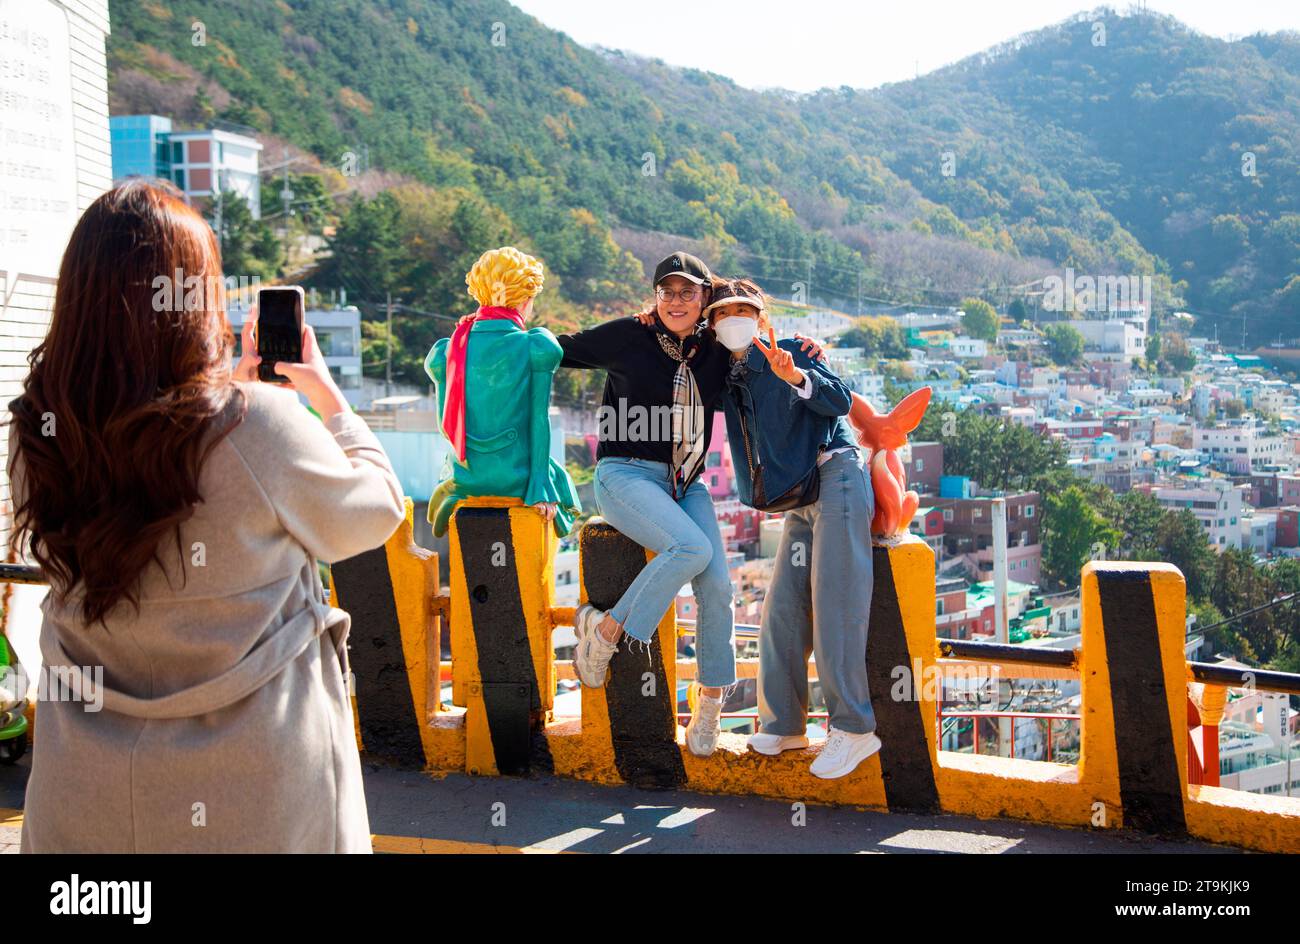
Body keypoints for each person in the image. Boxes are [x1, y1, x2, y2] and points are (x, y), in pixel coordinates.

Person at [6, 180, 405, 851]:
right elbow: (372, 514)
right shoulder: (260, 428)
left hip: (88, 797)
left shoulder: (38, 431)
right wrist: (330, 404)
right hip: (253, 800)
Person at [563, 253, 827, 757]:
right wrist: (492, 327)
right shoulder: (628, 336)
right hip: (623, 475)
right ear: (655, 296)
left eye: (688, 292)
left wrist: (805, 349)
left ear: (704, 299)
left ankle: (709, 707)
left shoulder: (713, 350)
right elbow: (559, 351)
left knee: (720, 585)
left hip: (685, 482)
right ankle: (606, 632)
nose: (677, 301)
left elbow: (755, 340)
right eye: (667, 291)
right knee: (690, 548)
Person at [708, 278, 880, 779]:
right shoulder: (726, 375)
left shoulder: (793, 352)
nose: (733, 318)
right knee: (782, 609)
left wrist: (796, 376)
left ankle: (853, 728)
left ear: (763, 317)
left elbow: (839, 401)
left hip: (836, 476)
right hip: (799, 496)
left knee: (836, 604)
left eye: (744, 309)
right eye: (722, 312)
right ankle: (784, 723)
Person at [425, 247, 580, 538]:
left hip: (465, 477)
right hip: (517, 478)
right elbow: (538, 421)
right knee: (558, 475)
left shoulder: (448, 351)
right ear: (524, 299)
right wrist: (539, 485)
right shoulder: (536, 346)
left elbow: (448, 429)